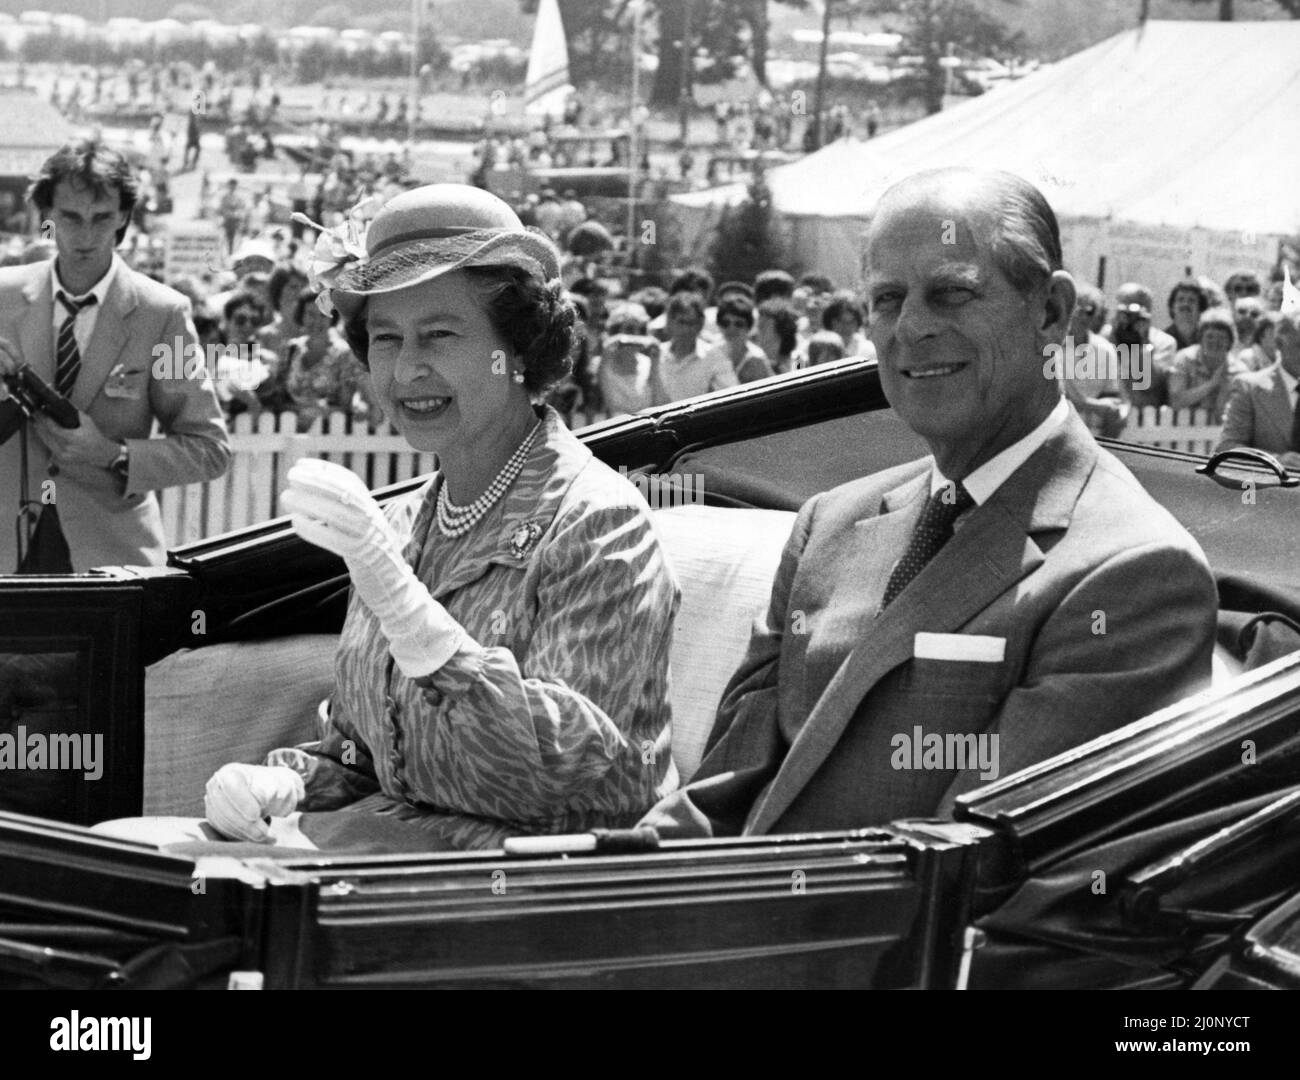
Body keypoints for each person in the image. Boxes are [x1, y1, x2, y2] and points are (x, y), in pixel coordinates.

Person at [100, 184, 680, 854]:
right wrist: (279, 783)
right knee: (117, 850)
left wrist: (406, 610)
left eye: (439, 334)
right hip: (380, 847)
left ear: (519, 348)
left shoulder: (598, 524)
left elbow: (559, 777)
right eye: (385, 339)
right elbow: (362, 758)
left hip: (524, 883)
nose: (407, 370)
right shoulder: (402, 523)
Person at [640, 167, 1217, 839]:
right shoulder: (830, 525)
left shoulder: (1131, 575)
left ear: (1052, 313)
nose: (910, 327)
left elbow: (967, 875)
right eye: (886, 299)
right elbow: (719, 799)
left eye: (951, 293)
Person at [0, 140, 230, 572]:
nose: (85, 236)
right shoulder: (2, 297)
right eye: (70, 217)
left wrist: (112, 454)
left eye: (101, 217)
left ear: (124, 216)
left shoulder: (164, 313)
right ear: (47, 214)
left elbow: (209, 449)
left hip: (111, 558)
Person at [1217, 307, 1300, 469]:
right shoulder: (1249, 387)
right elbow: (1227, 446)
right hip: (1269, 490)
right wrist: (1274, 460)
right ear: (1279, 344)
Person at [1060, 283, 1128, 438]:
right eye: (1078, 309)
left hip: (1094, 429)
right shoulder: (1053, 345)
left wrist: (1115, 410)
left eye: (1090, 311)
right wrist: (1093, 405)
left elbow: (1113, 393)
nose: (1083, 316)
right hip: (1058, 425)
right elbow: (1056, 395)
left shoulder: (1105, 349)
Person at [653, 291, 737, 403]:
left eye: (692, 323)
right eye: (682, 322)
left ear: (701, 325)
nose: (687, 329)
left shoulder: (715, 358)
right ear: (670, 322)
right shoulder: (655, 355)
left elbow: (732, 397)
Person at [1167, 308, 1246, 420]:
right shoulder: (1184, 359)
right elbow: (1176, 401)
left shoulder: (1239, 371)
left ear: (1230, 342)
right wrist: (1212, 384)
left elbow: (1232, 412)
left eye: (1221, 337)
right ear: (1200, 338)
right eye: (1209, 336)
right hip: (1182, 430)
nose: (1215, 342)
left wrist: (1224, 387)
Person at [1107, 282, 1177, 408]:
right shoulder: (1104, 337)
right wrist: (1114, 335)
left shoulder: (1164, 342)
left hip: (1144, 415)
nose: (1132, 317)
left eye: (1139, 310)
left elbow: (1150, 383)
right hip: (1109, 413)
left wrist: (1141, 342)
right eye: (1127, 311)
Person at [596, 303, 657, 417]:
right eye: (630, 329)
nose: (637, 335)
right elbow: (605, 404)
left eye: (642, 330)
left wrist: (656, 362)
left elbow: (659, 403)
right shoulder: (602, 364)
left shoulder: (648, 363)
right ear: (615, 331)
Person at [704, 294, 773, 384]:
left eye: (738, 324)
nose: (731, 328)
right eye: (725, 323)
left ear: (748, 327)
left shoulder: (757, 359)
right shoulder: (711, 354)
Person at [1164, 279, 1209, 352]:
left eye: (1191, 300)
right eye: (1180, 299)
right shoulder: (1160, 340)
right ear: (1172, 307)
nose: (1185, 304)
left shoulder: (1209, 340)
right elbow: (1142, 363)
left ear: (1200, 308)